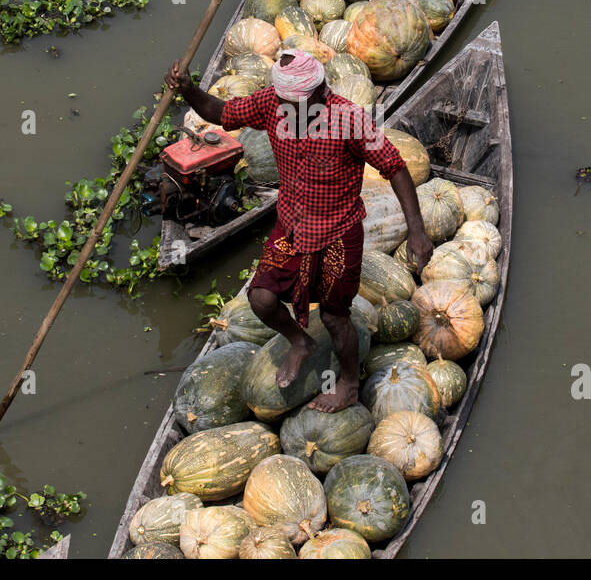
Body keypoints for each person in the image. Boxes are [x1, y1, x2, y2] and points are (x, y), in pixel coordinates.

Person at [165, 49, 432, 411]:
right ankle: (299, 341)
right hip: (292, 226)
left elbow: (395, 167)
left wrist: (416, 230)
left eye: (300, 108)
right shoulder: (273, 102)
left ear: (321, 92)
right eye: (287, 106)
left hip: (339, 233)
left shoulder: (349, 120)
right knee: (261, 298)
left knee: (335, 318)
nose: (291, 114)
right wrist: (187, 90)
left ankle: (349, 383)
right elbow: (219, 112)